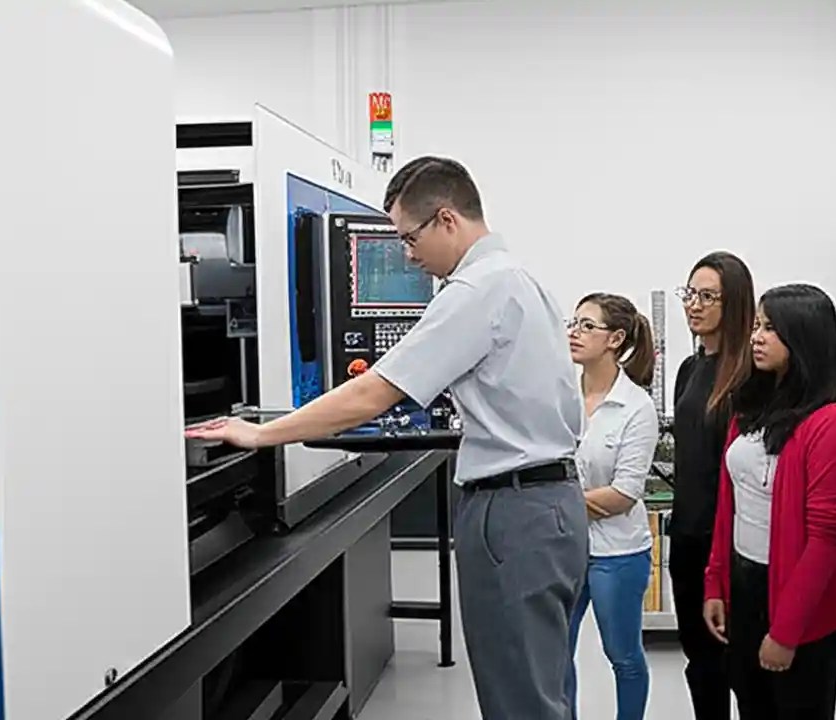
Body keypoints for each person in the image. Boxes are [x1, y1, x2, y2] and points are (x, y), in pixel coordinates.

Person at [186, 156, 588, 720]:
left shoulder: (474, 291)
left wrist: (262, 434)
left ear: (447, 219)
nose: (407, 254)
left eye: (409, 237)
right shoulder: (522, 280)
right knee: (547, 690)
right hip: (555, 509)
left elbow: (372, 394)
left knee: (520, 703)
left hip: (511, 515)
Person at [702, 283, 836, 720]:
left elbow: (828, 540)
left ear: (804, 336)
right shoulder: (752, 409)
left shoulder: (833, 424)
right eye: (757, 325)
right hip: (745, 586)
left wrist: (787, 631)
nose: (756, 336)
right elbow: (728, 505)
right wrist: (715, 581)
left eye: (771, 328)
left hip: (797, 603)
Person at [564, 293, 659, 720]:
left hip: (617, 555)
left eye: (587, 326)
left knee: (622, 655)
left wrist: (554, 502)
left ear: (616, 338)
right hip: (564, 546)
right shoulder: (561, 396)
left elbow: (624, 495)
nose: (574, 332)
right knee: (555, 653)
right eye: (573, 323)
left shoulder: (636, 407)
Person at [669, 251, 755, 720]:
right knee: (700, 662)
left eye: (707, 296)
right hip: (687, 535)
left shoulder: (750, 375)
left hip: (730, 543)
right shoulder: (689, 368)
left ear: (734, 302)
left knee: (736, 663)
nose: (694, 305)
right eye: (690, 293)